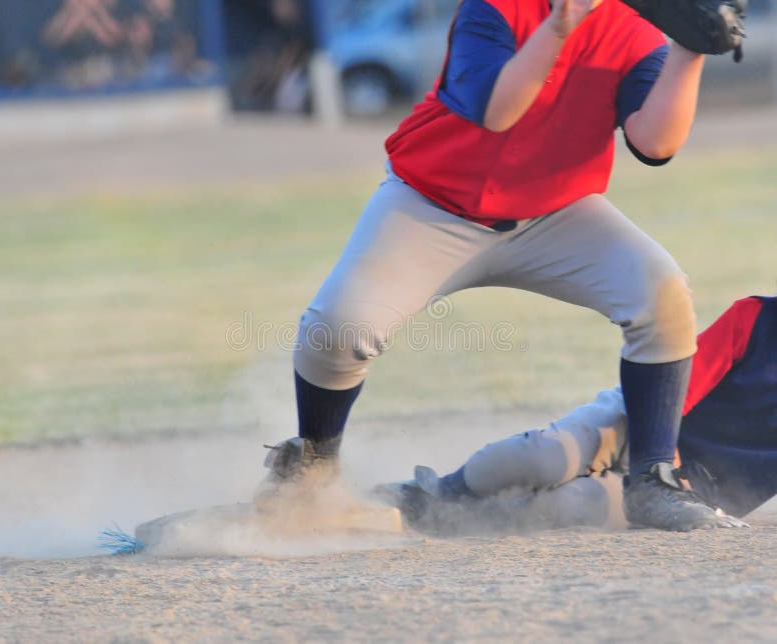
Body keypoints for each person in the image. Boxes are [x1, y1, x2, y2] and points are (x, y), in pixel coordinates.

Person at [260, 0, 740, 530]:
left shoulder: (635, 32)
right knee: (340, 327)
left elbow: (655, 143)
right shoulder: (495, 8)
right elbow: (497, 111)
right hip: (433, 203)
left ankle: (652, 478)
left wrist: (690, 51)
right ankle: (313, 472)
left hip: (555, 214)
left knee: (661, 291)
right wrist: (560, 27)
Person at [378, 295, 776, 534]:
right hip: (637, 421)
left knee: (566, 507)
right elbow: (677, 392)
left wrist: (675, 486)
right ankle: (434, 493)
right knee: (538, 456)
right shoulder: (754, 317)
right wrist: (659, 460)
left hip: (693, 492)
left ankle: (447, 523)